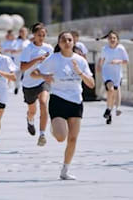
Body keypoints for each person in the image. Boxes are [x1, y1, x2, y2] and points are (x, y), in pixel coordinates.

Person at [34, 31, 94, 180]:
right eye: (63, 40)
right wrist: (44, 76)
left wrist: (80, 73)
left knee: (73, 139)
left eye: (69, 40)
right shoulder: (54, 58)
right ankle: (54, 127)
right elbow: (34, 73)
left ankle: (65, 170)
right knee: (61, 137)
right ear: (59, 43)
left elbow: (91, 84)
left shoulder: (80, 60)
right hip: (58, 99)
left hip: (76, 101)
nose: (67, 42)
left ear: (73, 42)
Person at [20, 22, 54, 146]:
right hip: (29, 84)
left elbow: (54, 62)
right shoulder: (28, 49)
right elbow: (23, 68)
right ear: (34, 35)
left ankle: (42, 134)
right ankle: (30, 120)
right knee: (32, 110)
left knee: (44, 103)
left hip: (43, 80)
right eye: (39, 35)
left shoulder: (49, 48)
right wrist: (37, 59)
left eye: (43, 35)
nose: (41, 37)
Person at [97, 30, 129, 124]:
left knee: (116, 90)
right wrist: (99, 67)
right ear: (108, 39)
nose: (112, 40)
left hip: (117, 74)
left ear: (117, 39)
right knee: (110, 90)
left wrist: (118, 61)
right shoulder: (105, 49)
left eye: (114, 38)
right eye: (110, 38)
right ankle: (109, 108)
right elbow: (101, 59)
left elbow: (126, 61)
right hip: (107, 72)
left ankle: (112, 110)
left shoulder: (121, 49)